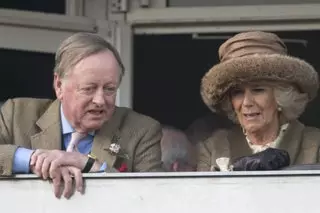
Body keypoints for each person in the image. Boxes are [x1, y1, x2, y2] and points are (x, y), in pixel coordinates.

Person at [0, 32, 163, 198]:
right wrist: (33, 160)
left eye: (109, 89)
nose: (100, 100)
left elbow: (156, 197)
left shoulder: (142, 130)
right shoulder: (16, 114)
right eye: (89, 88)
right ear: (59, 85)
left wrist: (90, 165)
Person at [197, 31, 320, 171]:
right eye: (238, 92)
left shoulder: (315, 144)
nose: (246, 102)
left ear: (280, 97)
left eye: (258, 90)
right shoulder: (213, 148)